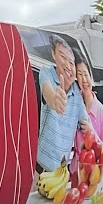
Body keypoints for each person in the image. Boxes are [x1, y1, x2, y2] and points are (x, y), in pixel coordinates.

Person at [35, 35, 89, 171]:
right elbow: (48, 93)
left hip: (62, 170)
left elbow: (85, 123)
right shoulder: (46, 73)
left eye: (71, 62)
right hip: (40, 164)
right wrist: (55, 100)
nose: (67, 65)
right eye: (62, 57)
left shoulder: (76, 91)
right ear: (53, 55)